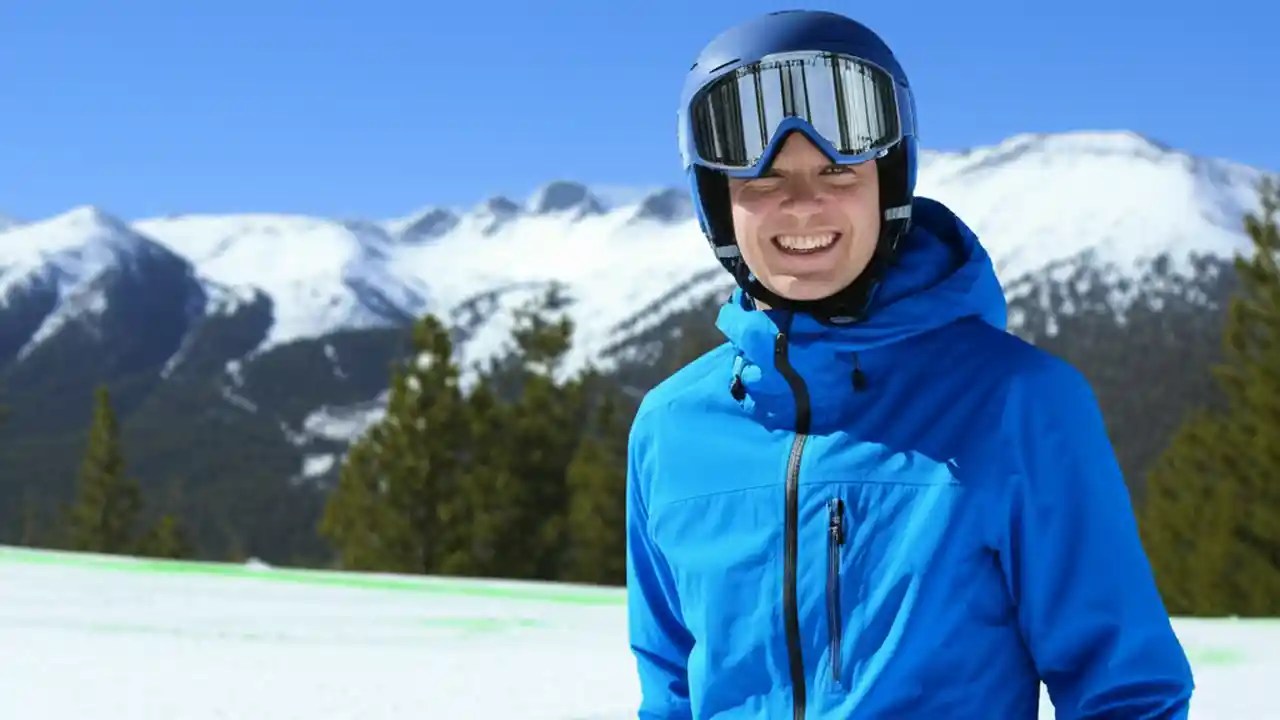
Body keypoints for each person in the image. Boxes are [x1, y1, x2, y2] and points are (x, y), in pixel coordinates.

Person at [625, 9, 1195, 719]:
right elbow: (671, 692)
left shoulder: (1016, 403)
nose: (802, 206)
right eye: (764, 180)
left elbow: (1126, 692)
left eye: (837, 171)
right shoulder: (671, 428)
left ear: (888, 183)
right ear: (718, 203)